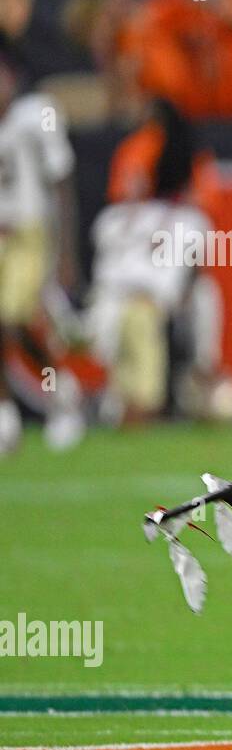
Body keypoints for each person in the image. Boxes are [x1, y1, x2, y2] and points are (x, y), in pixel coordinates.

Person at [85, 100, 212, 423]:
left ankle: (197, 377)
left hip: (127, 299)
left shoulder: (120, 218)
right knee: (135, 387)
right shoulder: (185, 220)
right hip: (134, 300)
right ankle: (181, 387)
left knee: (204, 301)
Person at [0, 54, 82, 454]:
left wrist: (65, 253)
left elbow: (61, 180)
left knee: (14, 319)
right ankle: (6, 417)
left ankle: (61, 391)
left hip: (28, 234)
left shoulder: (36, 115)